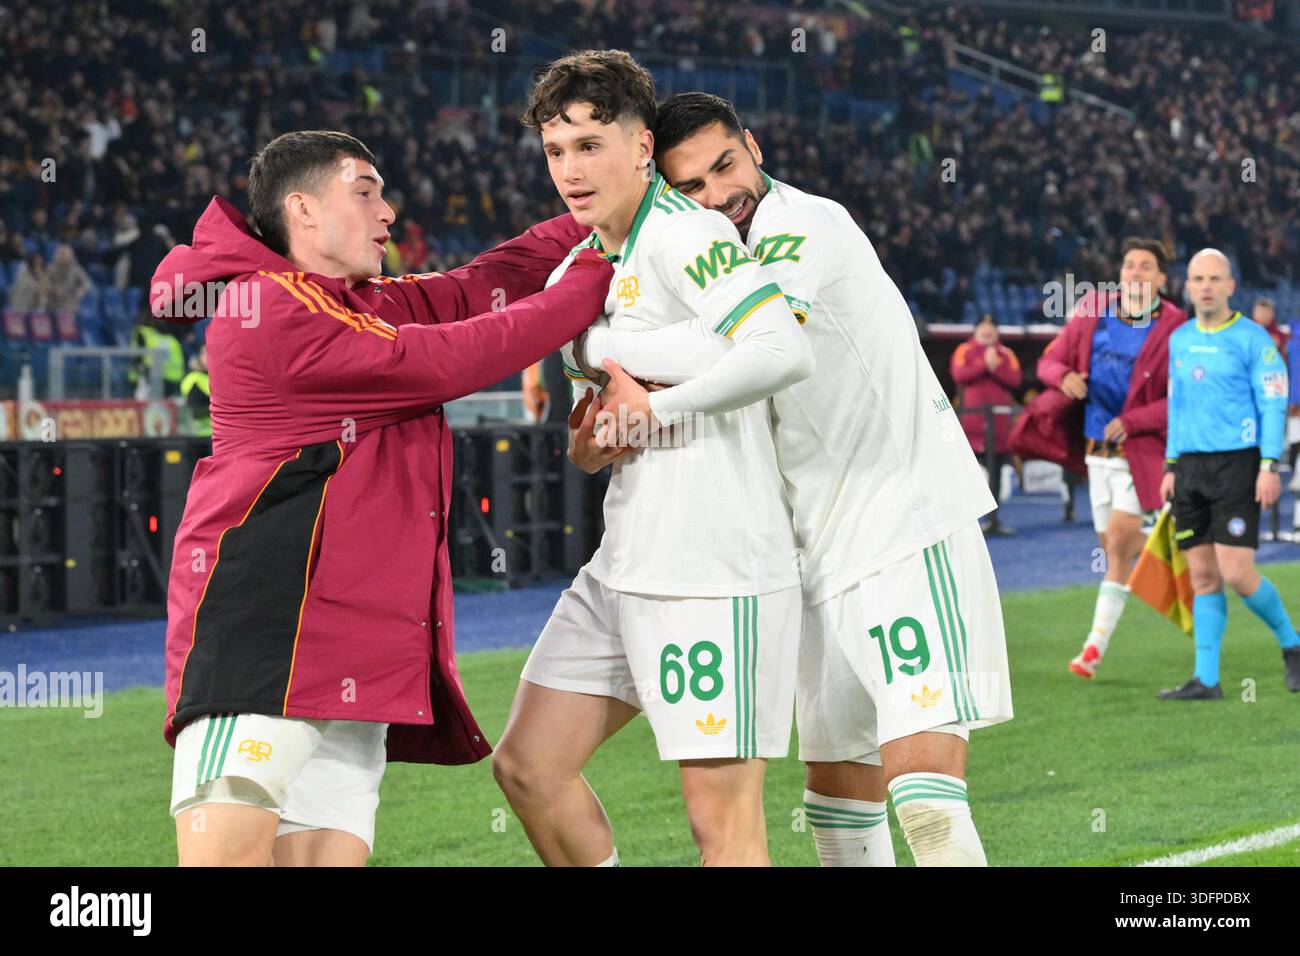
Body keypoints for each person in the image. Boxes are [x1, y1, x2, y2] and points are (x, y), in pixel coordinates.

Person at [153, 129, 612, 867]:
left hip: (355, 650)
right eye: (365, 191)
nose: (389, 211)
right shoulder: (265, 306)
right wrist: (592, 276)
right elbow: (448, 357)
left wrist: (611, 213)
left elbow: (478, 286)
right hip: (266, 639)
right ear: (302, 210)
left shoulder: (352, 302)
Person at [577, 91, 1011, 866]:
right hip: (808, 550)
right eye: (693, 188)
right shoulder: (700, 258)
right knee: (838, 801)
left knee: (925, 799)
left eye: (726, 166)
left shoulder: (806, 225)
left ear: (754, 146)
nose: (720, 195)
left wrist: (589, 340)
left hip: (901, 519)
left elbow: (750, 343)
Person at [491, 54, 813, 868]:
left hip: (715, 569)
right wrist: (594, 439)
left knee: (723, 830)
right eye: (557, 151)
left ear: (642, 146)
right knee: (529, 767)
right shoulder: (580, 271)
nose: (570, 169)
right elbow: (588, 437)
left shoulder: (687, 233)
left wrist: (656, 406)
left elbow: (781, 349)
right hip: (625, 563)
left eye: (591, 145)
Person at [1012, 238, 1187, 679]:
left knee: (1118, 549)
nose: (1136, 273)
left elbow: (1183, 397)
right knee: (1113, 547)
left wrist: (1135, 420)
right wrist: (1066, 376)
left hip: (1139, 454)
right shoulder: (1093, 308)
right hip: (1095, 455)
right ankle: (1174, 559)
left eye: (1147, 267)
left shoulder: (1176, 327)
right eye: (1130, 265)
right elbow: (1049, 363)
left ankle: (1092, 648)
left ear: (1162, 280)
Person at [1158, 249, 1300, 699]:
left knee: (1237, 573)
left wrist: (1269, 465)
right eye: (1197, 278)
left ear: (1230, 286)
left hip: (1238, 464)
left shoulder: (1254, 339)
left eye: (1214, 278)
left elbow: (1274, 404)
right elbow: (1176, 407)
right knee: (1202, 576)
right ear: (1188, 285)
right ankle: (1207, 679)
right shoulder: (1179, 340)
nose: (1204, 286)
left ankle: (1293, 645)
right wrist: (1171, 463)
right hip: (1191, 469)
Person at [950, 313, 1022, 500]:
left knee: (997, 470)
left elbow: (1015, 380)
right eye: (983, 326)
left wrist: (995, 368)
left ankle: (993, 518)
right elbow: (959, 374)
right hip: (971, 425)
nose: (987, 330)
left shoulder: (1006, 353)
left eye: (991, 327)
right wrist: (985, 365)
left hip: (998, 427)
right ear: (975, 330)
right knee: (964, 470)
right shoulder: (964, 350)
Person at [180, 343, 211, 438]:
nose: (209, 357)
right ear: (198, 357)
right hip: (201, 436)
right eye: (205, 353)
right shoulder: (194, 379)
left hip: (219, 434)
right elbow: (194, 410)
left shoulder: (215, 377)